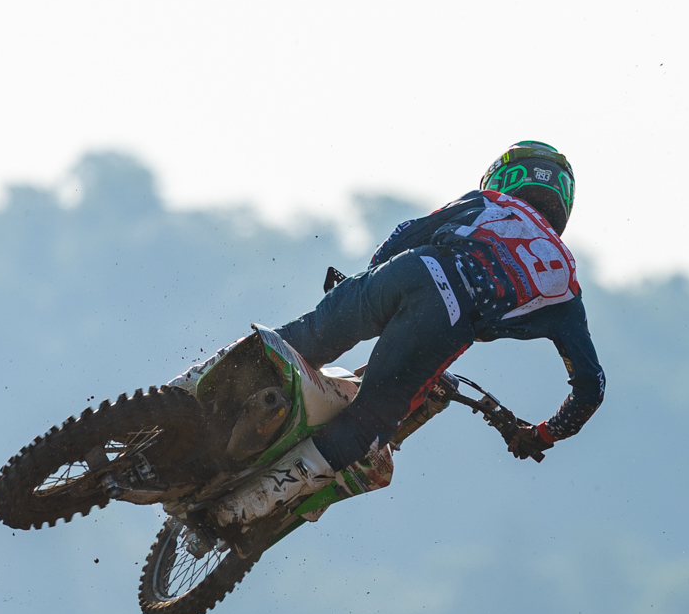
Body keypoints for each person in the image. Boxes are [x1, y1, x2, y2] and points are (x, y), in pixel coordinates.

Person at [215, 141, 603, 525]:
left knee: (303, 339)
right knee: (370, 422)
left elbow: (406, 233)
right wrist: (542, 435)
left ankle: (196, 392)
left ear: (506, 175)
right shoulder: (566, 285)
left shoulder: (490, 202)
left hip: (410, 270)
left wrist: (364, 283)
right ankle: (249, 504)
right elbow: (591, 387)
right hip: (447, 321)